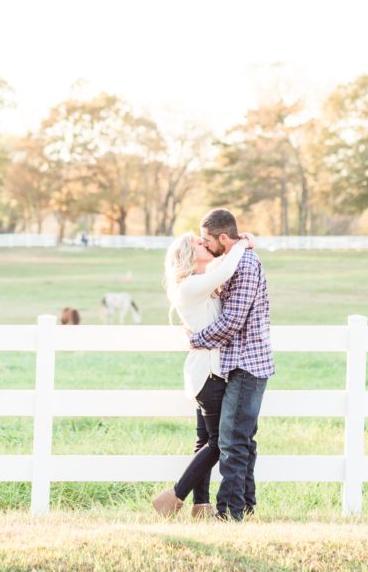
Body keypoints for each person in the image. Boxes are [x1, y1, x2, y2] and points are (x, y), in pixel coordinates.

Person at [152, 229, 254, 518]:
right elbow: (228, 268)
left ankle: (201, 506)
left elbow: (220, 268)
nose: (204, 243)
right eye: (199, 242)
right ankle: (173, 496)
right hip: (209, 375)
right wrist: (242, 242)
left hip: (203, 374)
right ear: (188, 253)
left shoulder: (194, 285)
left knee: (204, 441)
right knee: (218, 442)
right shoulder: (189, 286)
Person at [188, 208, 274, 522]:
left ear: (224, 238)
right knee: (242, 439)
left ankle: (229, 512)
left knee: (232, 440)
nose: (204, 244)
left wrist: (196, 339)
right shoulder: (233, 258)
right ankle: (246, 505)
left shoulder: (247, 264)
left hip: (247, 363)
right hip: (235, 362)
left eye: (208, 239)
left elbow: (233, 320)